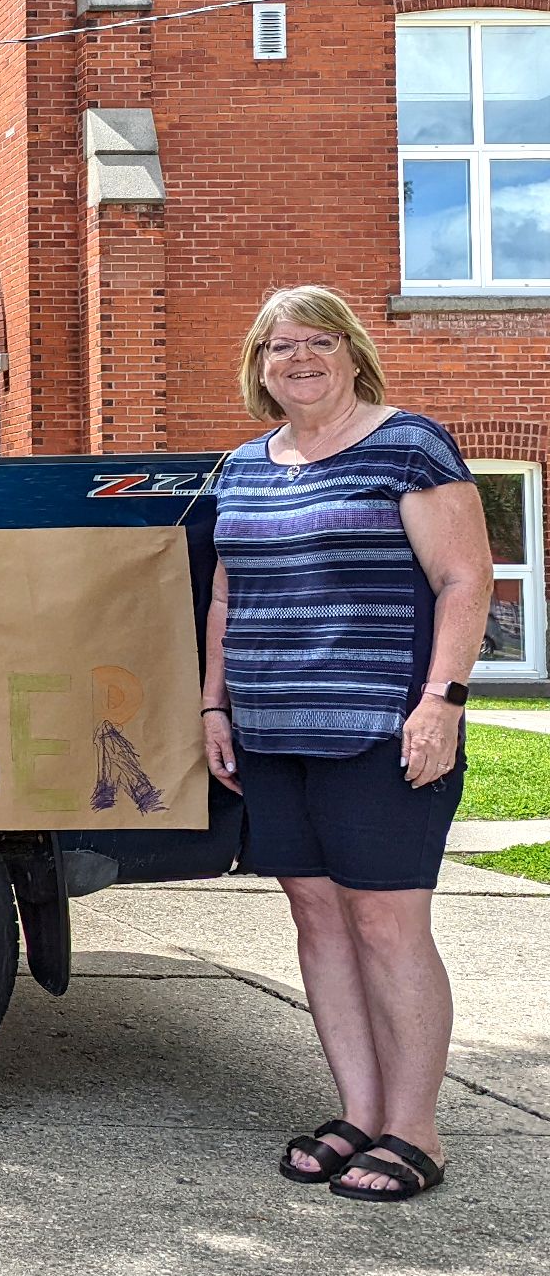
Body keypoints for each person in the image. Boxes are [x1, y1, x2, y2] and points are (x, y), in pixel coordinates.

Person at [201, 285, 492, 1203]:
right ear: (259, 367)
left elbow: (464, 578)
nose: (298, 359)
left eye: (317, 342)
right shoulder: (245, 466)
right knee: (318, 920)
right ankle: (360, 1112)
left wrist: (441, 699)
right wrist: (215, 709)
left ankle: (416, 1129)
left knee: (386, 924)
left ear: (354, 352)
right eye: (278, 346)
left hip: (382, 729)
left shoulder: (408, 445)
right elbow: (224, 597)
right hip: (273, 733)